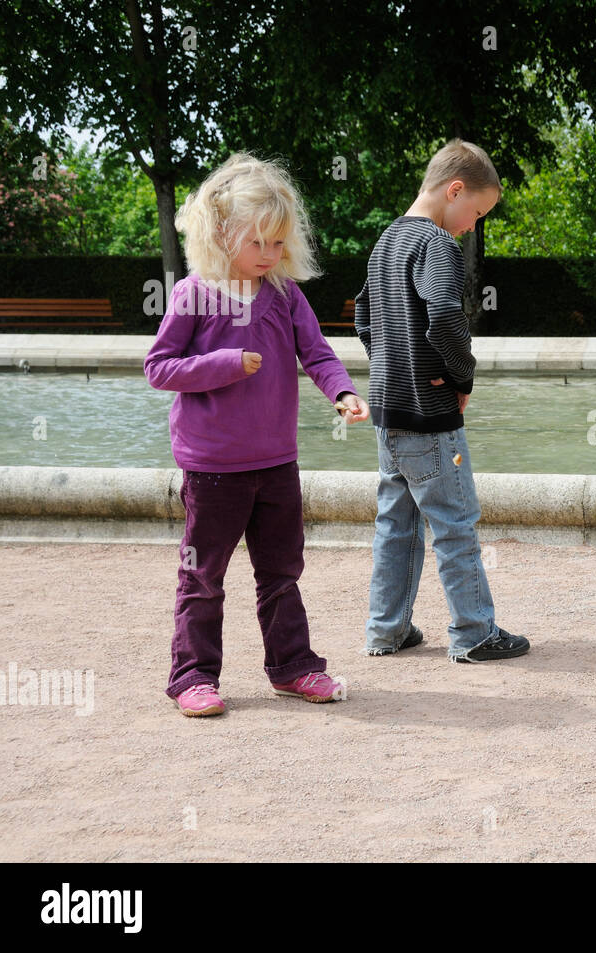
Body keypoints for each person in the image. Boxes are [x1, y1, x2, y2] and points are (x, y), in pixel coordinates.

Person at [145, 152, 370, 716]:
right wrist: (223, 363)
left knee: (282, 572)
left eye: (278, 244)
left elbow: (317, 353)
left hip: (276, 462)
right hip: (213, 467)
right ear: (222, 235)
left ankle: (294, 667)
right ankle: (193, 677)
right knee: (204, 575)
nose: (270, 255)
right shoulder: (193, 293)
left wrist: (342, 392)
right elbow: (159, 368)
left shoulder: (286, 294)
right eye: (258, 244)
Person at [355, 138, 529, 662]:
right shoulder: (437, 246)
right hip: (431, 417)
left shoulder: (385, 242)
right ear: (455, 190)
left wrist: (393, 366)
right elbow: (446, 320)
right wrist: (462, 379)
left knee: (395, 526)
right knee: (454, 524)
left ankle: (386, 630)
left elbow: (364, 319)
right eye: (476, 212)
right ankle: (474, 633)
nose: (473, 225)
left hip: (388, 414)